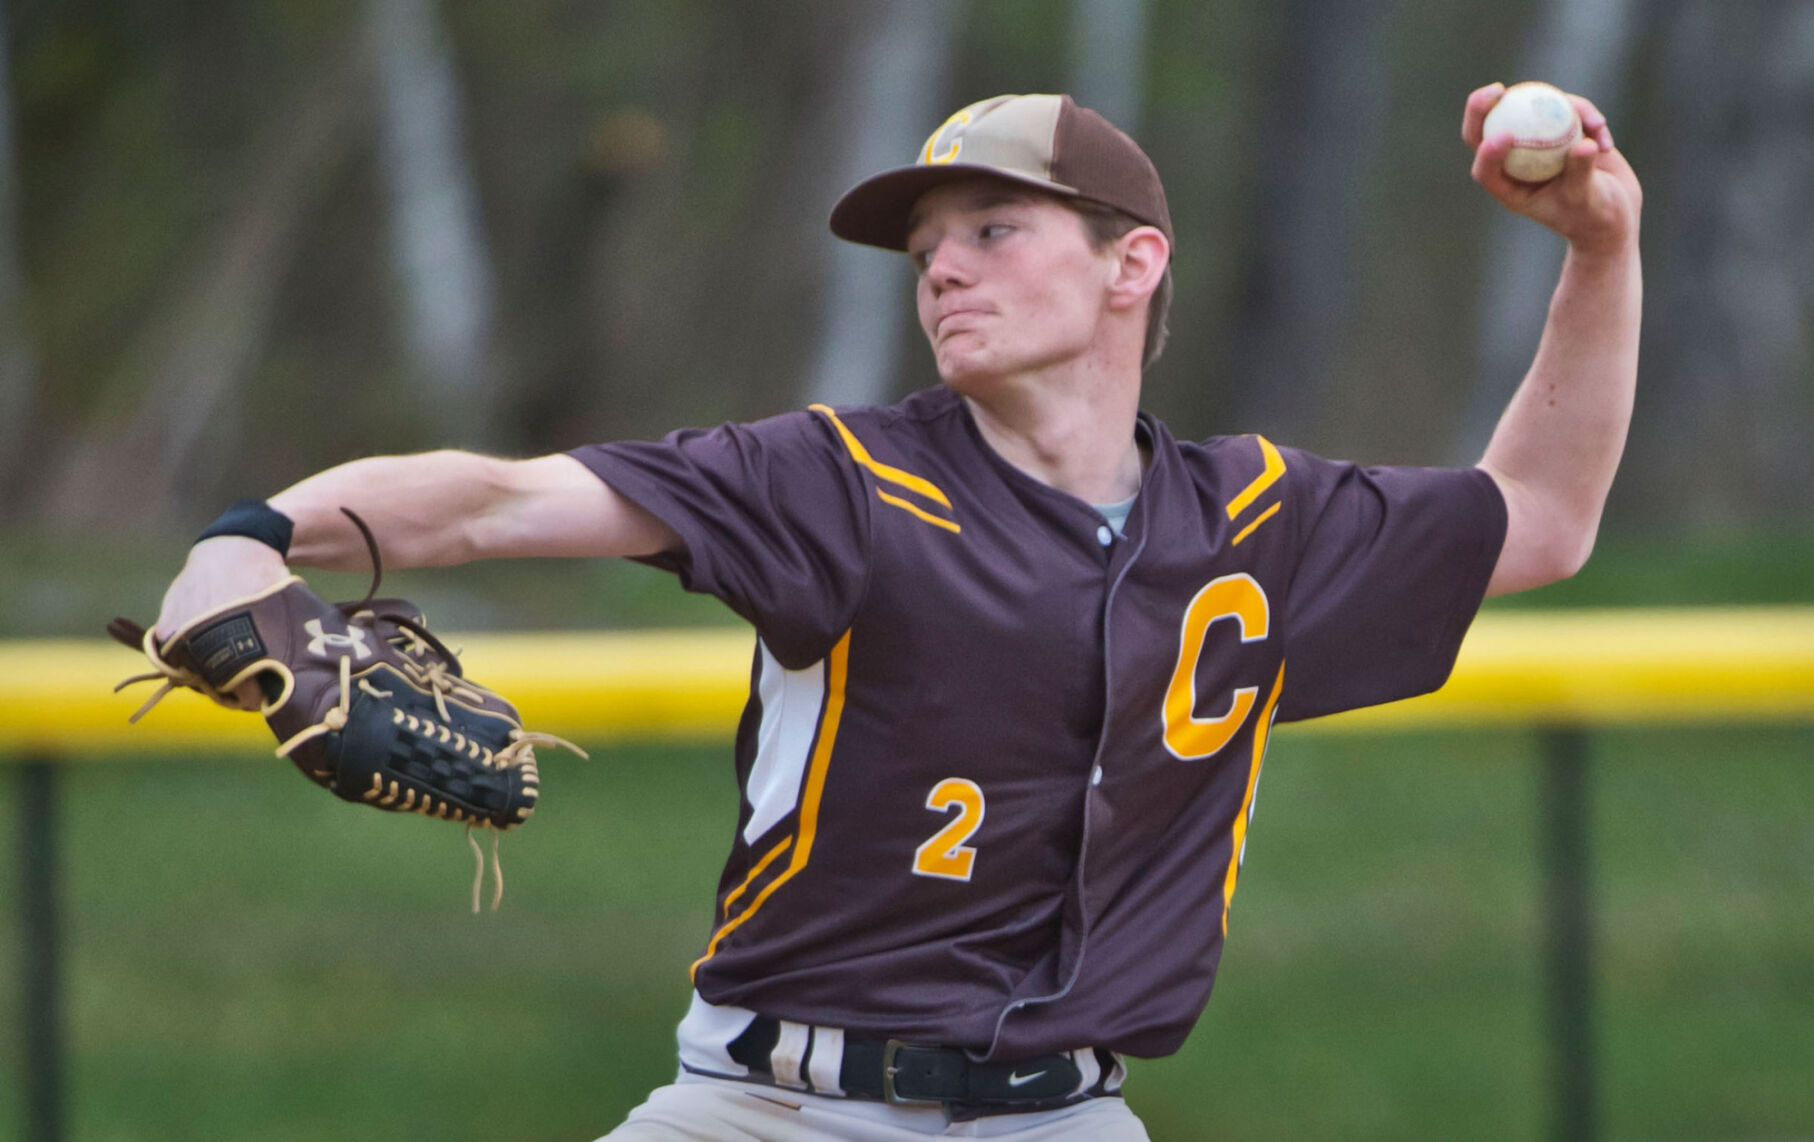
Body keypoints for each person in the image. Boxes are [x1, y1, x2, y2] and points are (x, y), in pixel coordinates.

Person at [151, 86, 1641, 1139]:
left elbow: (1543, 518)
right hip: (764, 1109)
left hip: (1066, 1117)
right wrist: (249, 537)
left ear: (1132, 264)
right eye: (926, 239)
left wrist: (1597, 249)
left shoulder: (1256, 519)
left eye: (994, 226)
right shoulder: (835, 478)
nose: (940, 261)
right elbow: (495, 500)